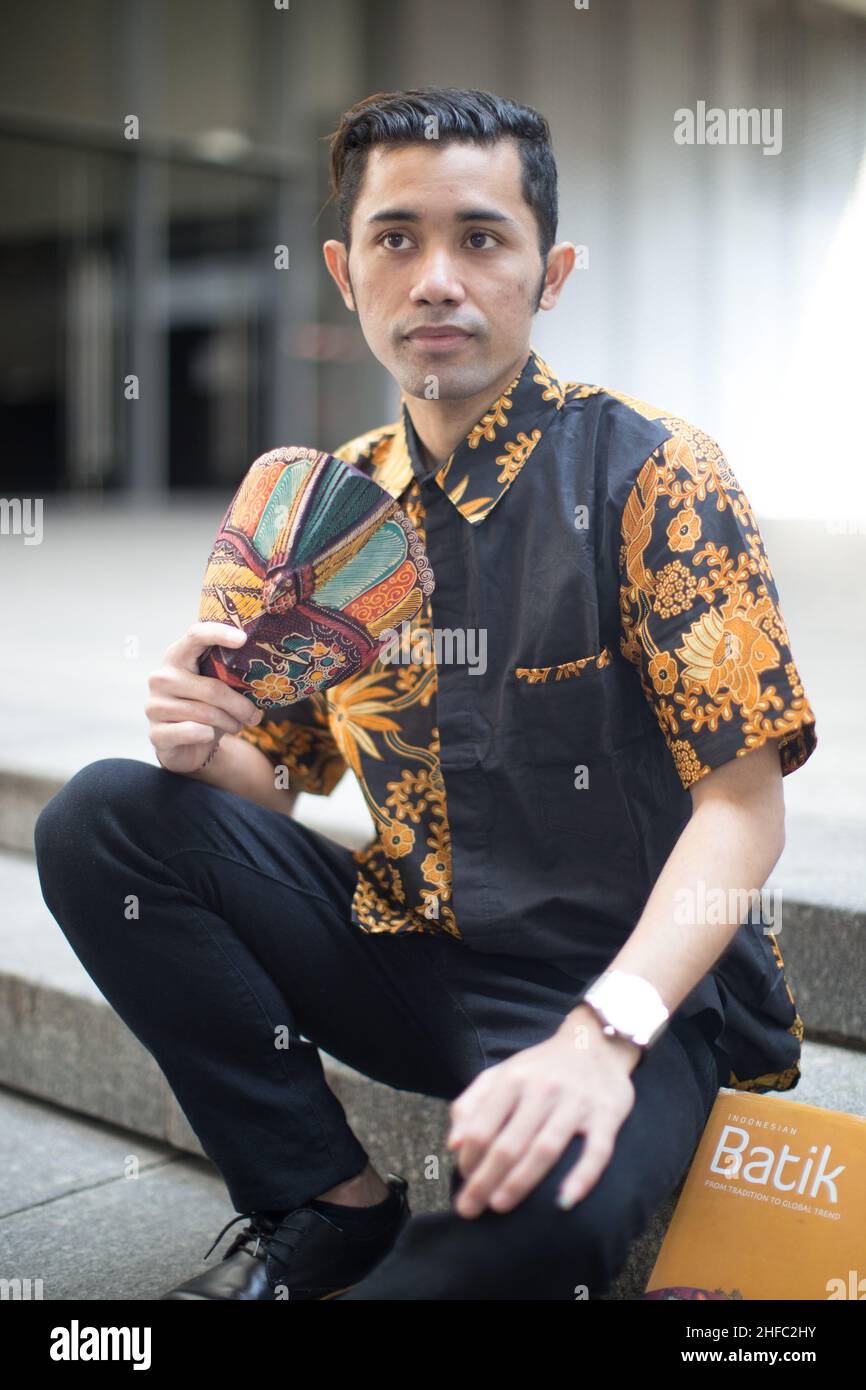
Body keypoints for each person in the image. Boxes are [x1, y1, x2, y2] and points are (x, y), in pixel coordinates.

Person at [34, 87, 817, 1301]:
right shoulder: (324, 505)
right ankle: (323, 1203)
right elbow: (276, 790)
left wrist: (596, 1042)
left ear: (549, 272)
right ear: (346, 271)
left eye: (481, 237)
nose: (436, 278)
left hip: (622, 992)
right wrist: (206, 743)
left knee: (503, 1258)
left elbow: (742, 812)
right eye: (397, 238)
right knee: (101, 816)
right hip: (410, 956)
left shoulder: (654, 474)